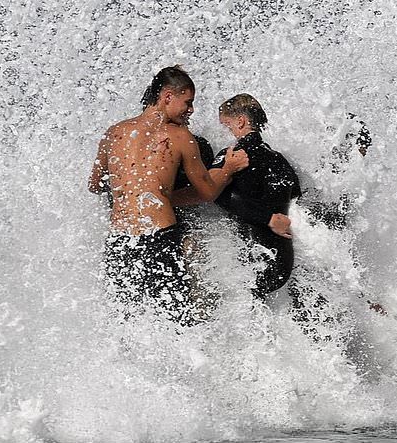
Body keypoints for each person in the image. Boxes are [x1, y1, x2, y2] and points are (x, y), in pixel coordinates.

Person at [89, 65, 246, 322]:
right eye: (188, 102)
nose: (191, 110)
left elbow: (95, 185)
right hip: (158, 239)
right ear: (167, 96)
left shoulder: (114, 133)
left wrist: (131, 187)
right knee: (175, 319)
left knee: (124, 320)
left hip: (120, 241)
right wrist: (227, 169)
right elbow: (206, 191)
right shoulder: (180, 136)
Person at [213, 93, 305, 298]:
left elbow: (214, 193)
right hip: (283, 263)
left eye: (226, 125)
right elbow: (296, 198)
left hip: (253, 257)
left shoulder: (234, 155)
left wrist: (268, 218)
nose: (225, 131)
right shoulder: (280, 159)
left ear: (241, 121)